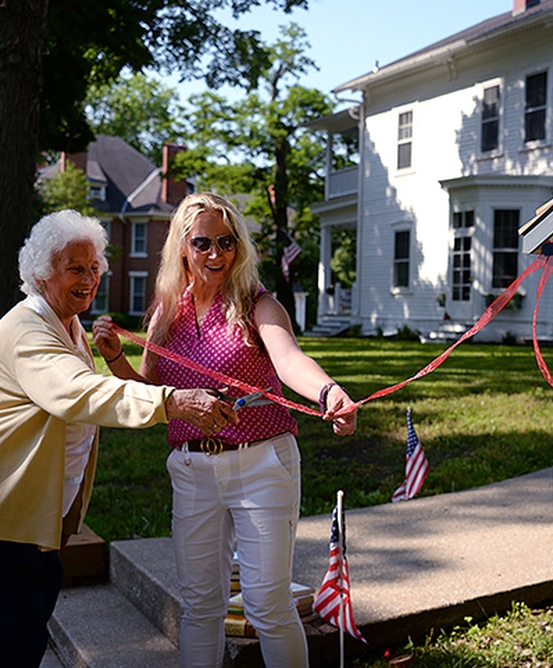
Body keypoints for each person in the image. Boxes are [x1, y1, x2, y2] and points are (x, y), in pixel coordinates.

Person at [0, 209, 237, 668]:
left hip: (27, 523)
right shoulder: (27, 330)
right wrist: (173, 402)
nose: (89, 279)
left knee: (23, 645)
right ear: (40, 275)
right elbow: (77, 392)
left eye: (94, 268)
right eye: (75, 268)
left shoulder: (67, 325)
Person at [92, 192, 357, 668]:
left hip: (262, 462)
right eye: (203, 243)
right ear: (182, 248)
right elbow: (148, 391)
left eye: (226, 242)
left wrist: (327, 392)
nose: (216, 254)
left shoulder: (257, 303)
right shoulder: (165, 314)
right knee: (200, 607)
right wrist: (114, 356)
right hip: (193, 468)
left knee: (268, 606)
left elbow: (289, 359)